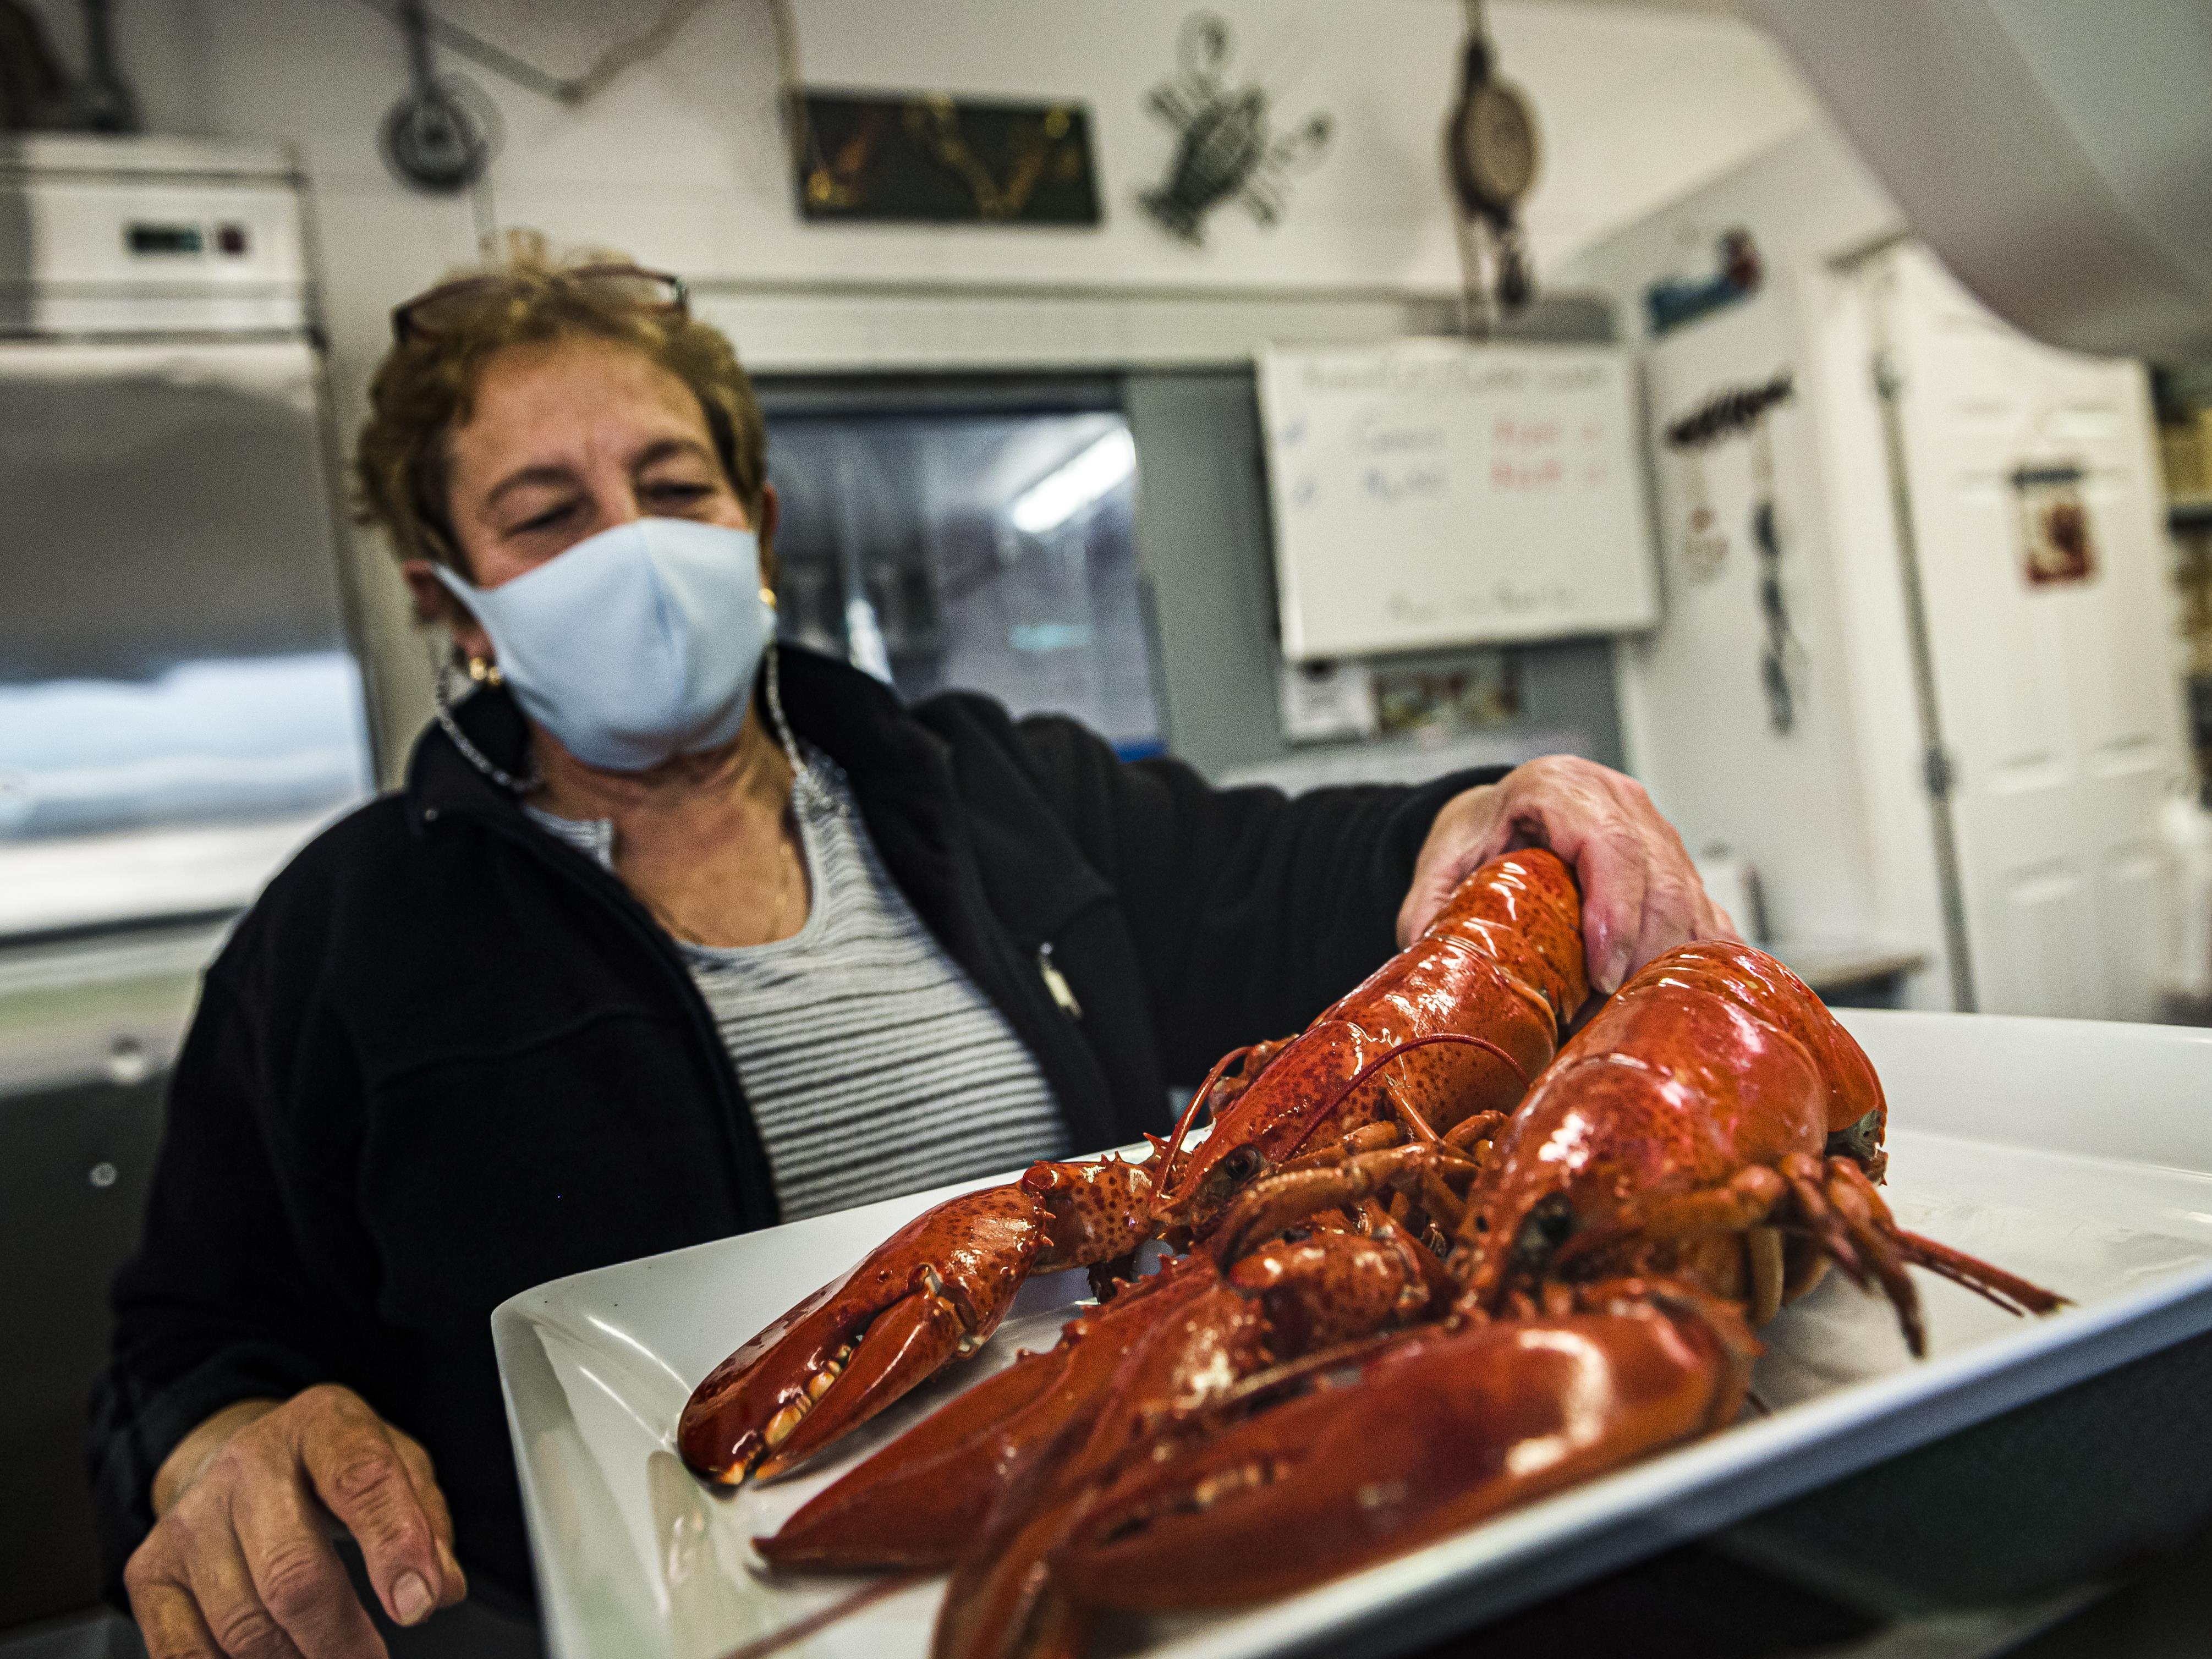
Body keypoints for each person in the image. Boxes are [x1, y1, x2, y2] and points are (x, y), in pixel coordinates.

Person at [91, 243, 1736, 1658]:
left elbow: (1271, 876)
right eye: (546, 515)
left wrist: (1475, 815)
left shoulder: (984, 782)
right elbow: (188, 1340)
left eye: (673, 489)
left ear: (756, 523)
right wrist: (219, 1439)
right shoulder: (344, 928)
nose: (631, 548)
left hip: (1130, 1555)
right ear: (451, 600)